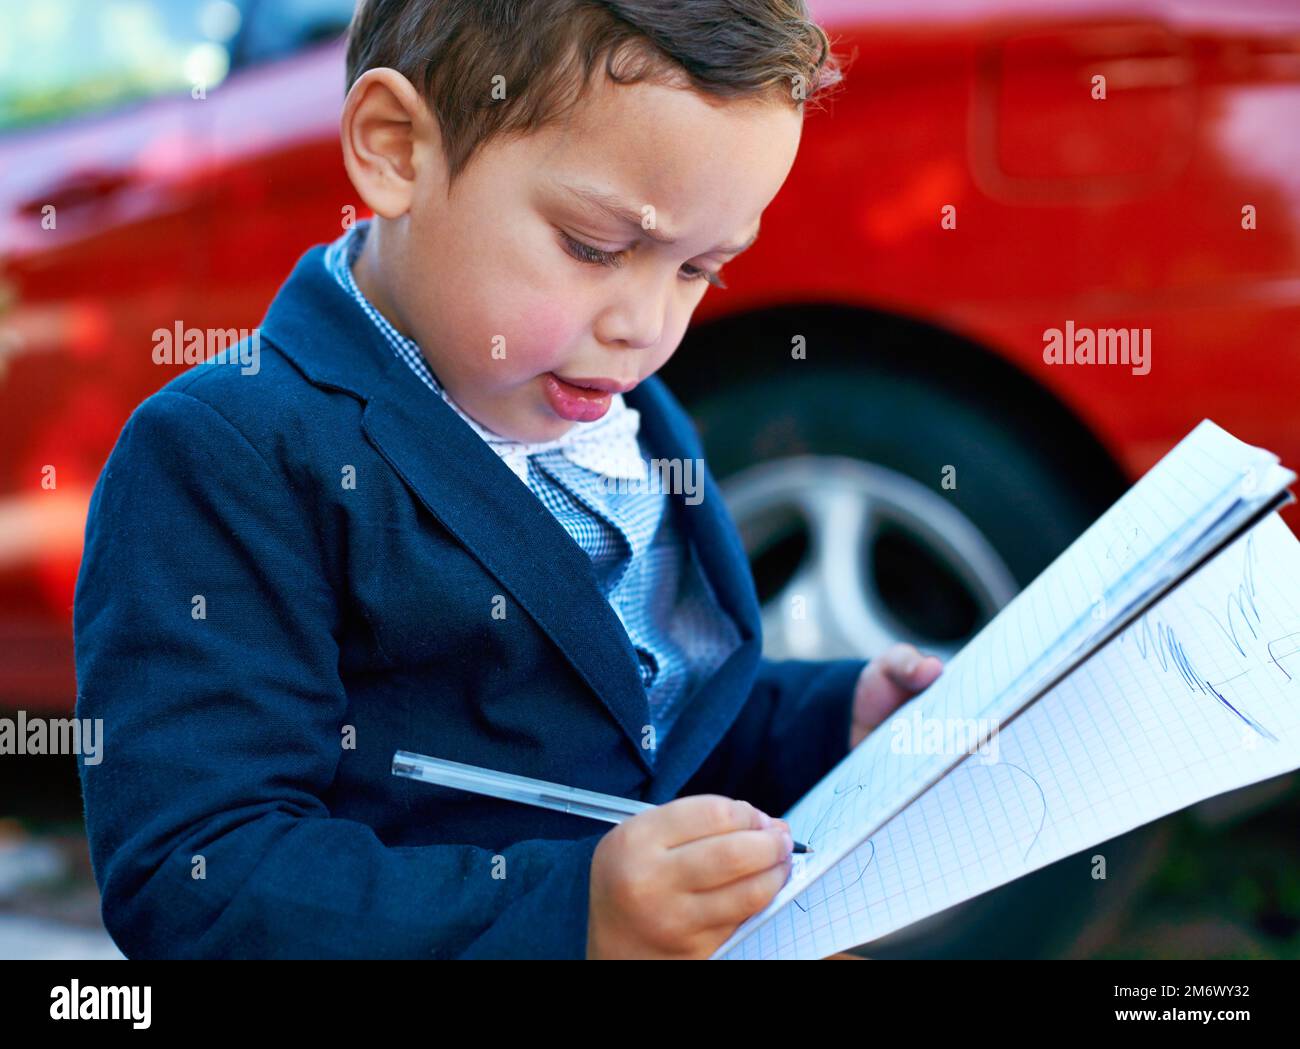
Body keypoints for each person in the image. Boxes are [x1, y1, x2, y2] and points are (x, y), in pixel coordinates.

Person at [74, 0, 942, 960]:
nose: (645, 326)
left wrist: (832, 718)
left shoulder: (615, 405)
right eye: (595, 247)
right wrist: (575, 914)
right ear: (397, 149)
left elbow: (635, 724)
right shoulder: (232, 454)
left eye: (701, 269)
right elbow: (199, 880)